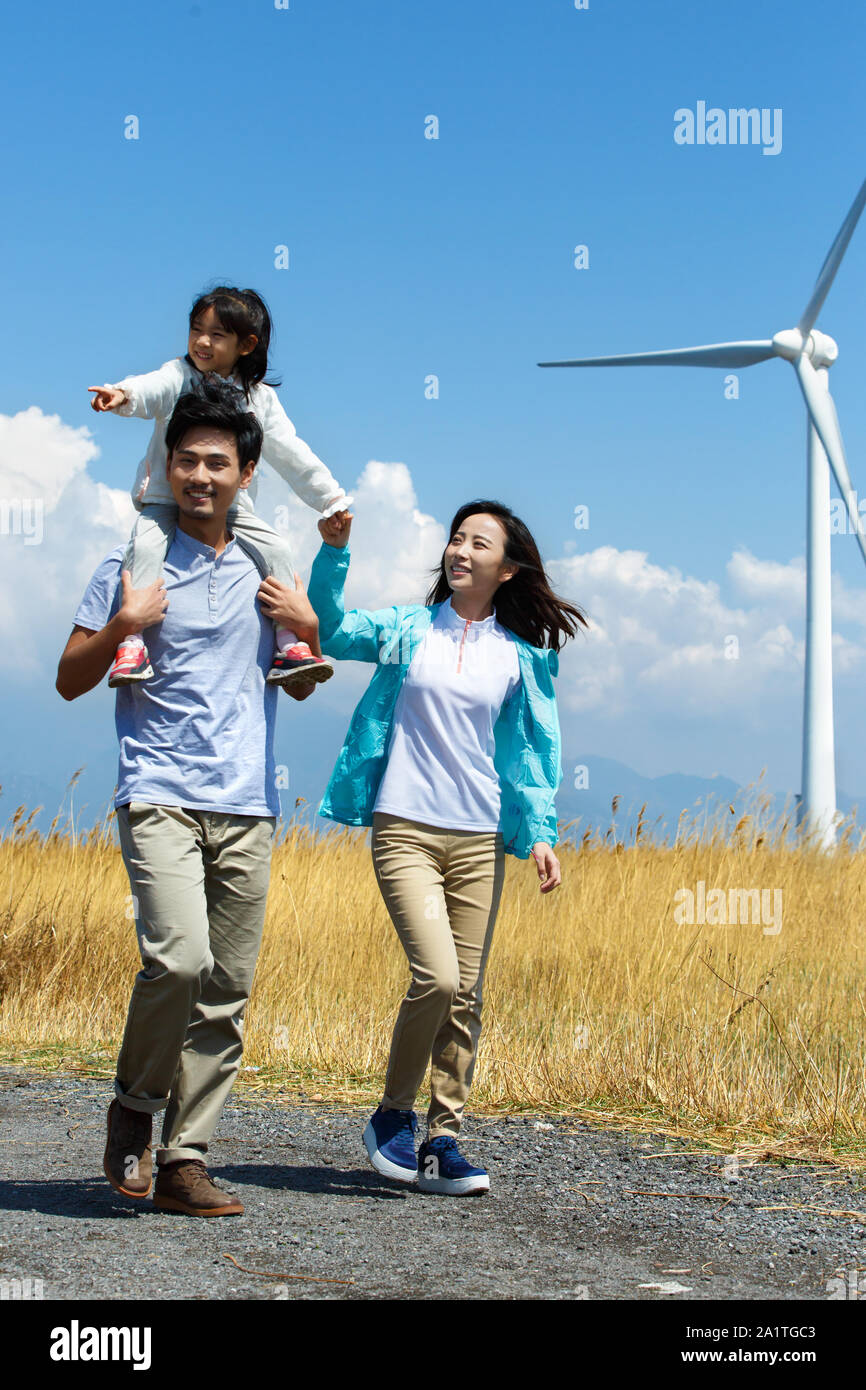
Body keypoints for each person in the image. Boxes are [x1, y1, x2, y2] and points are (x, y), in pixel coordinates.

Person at [56, 376, 318, 1217]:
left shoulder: (266, 565)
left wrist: (308, 628)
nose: (199, 475)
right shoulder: (129, 564)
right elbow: (69, 680)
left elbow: (304, 685)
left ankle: (185, 1159)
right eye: (185, 460)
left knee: (227, 987)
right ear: (167, 468)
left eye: (217, 462)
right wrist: (123, 626)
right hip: (159, 791)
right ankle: (135, 1105)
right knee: (179, 960)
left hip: (247, 802)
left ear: (246, 473)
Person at [270, 500, 586, 1195]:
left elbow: (532, 753)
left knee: (467, 995)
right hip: (405, 827)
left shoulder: (522, 654)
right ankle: (392, 1116)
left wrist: (538, 834)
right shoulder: (410, 629)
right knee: (438, 978)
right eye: (456, 538)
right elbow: (335, 628)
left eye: (480, 543)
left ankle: (444, 1140)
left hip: (476, 838)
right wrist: (334, 554)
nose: (460, 550)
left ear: (507, 570)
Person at [88, 284, 353, 689]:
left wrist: (329, 498)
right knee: (144, 549)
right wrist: (122, 394)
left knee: (278, 549)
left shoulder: (258, 399)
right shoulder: (178, 375)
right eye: (196, 330)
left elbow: (289, 452)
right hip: (164, 500)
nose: (202, 342)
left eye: (216, 334)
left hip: (234, 509)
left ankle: (286, 642)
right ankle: (132, 642)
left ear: (246, 344)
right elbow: (150, 388)